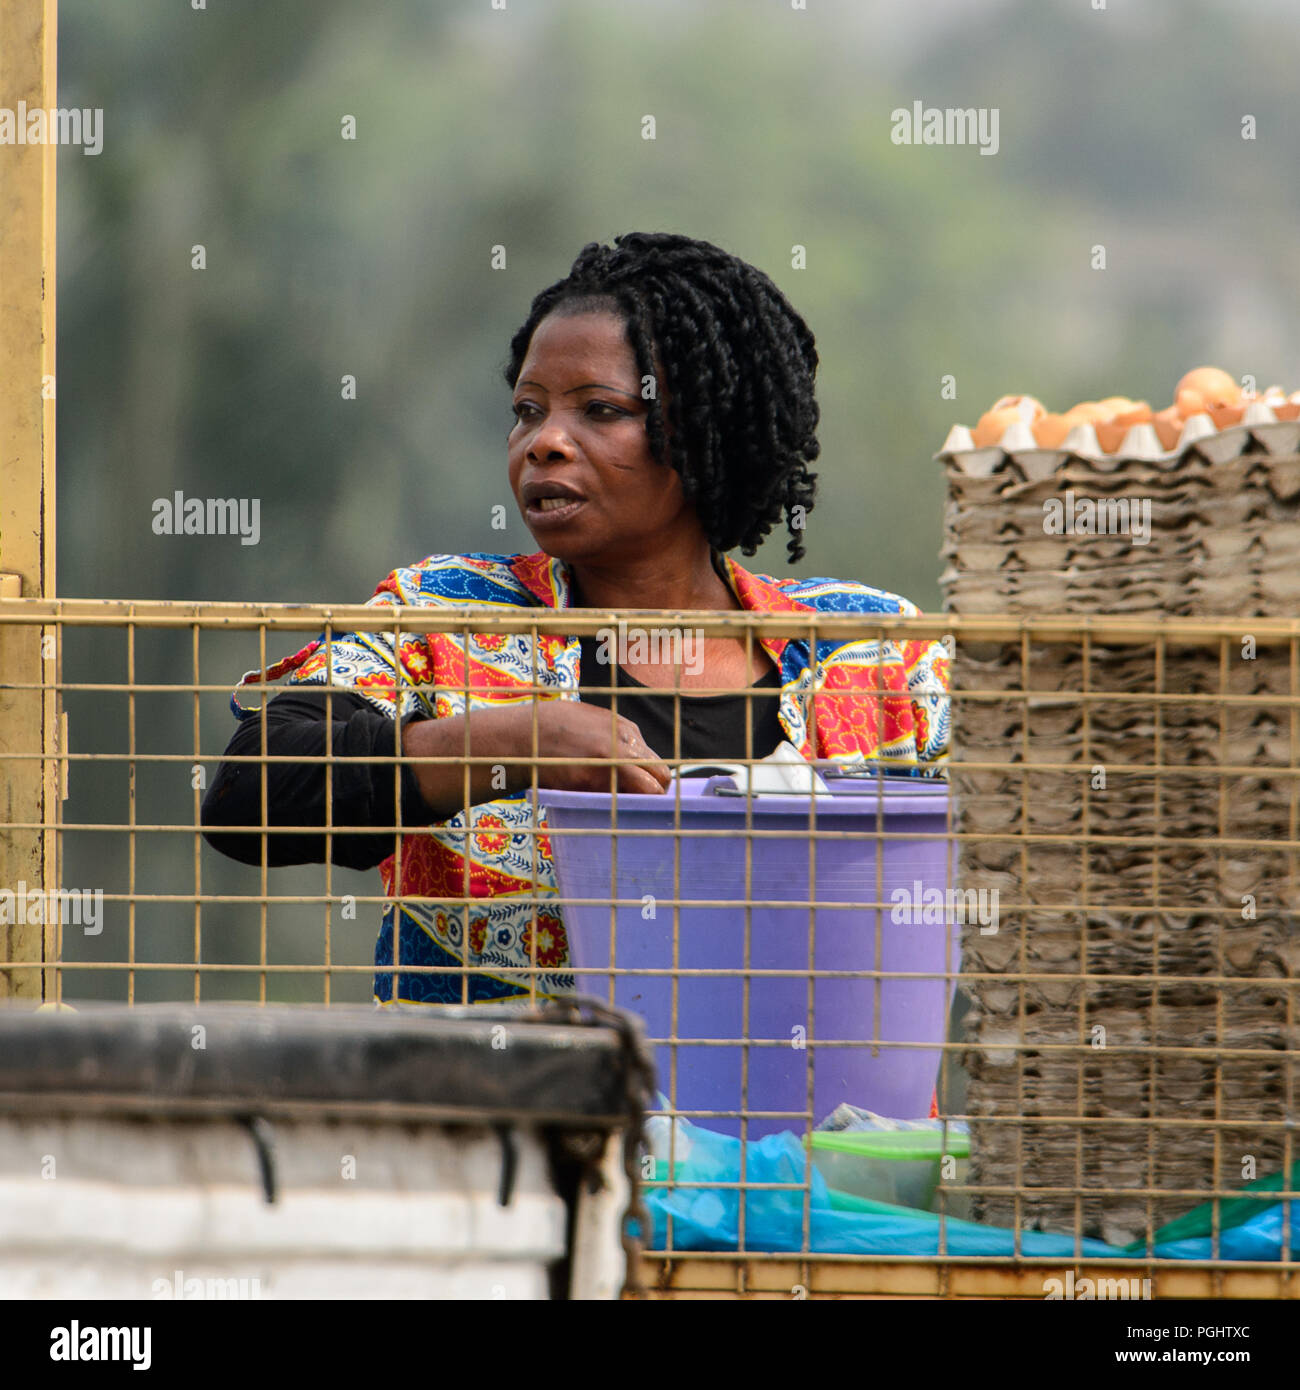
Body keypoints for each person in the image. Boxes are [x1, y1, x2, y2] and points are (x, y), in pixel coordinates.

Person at [201, 231, 950, 1006]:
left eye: (599, 410)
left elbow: (1044, 862)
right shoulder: (444, 620)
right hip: (519, 1119)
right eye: (527, 411)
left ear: (701, 430)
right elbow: (250, 792)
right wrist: (514, 742)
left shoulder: (877, 651)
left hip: (823, 1123)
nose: (544, 443)